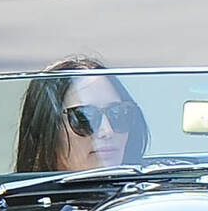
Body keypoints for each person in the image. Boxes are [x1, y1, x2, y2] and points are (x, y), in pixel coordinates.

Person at [14, 56, 150, 172]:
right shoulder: (10, 201)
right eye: (84, 118)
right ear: (46, 130)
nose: (107, 131)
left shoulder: (151, 198)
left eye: (119, 114)